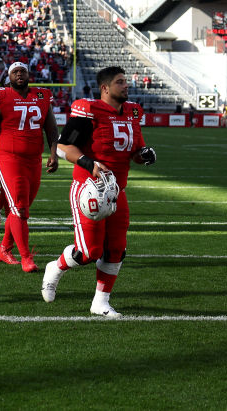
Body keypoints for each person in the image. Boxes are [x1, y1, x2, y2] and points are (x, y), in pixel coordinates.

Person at [41, 65, 156, 318]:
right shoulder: (89, 110)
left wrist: (144, 155)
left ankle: (100, 302)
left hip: (117, 190)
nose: (126, 85)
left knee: (116, 248)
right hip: (89, 188)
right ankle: (56, 267)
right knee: (88, 252)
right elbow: (62, 146)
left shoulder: (132, 112)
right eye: (120, 82)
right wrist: (88, 162)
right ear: (105, 88)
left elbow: (135, 152)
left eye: (125, 81)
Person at [0, 62, 59, 272]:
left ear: (29, 75)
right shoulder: (0, 96)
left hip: (34, 159)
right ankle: (26, 258)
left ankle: (4, 248)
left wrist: (53, 153)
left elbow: (51, 128)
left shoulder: (41, 96)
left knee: (20, 209)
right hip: (8, 157)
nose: (19, 74)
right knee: (19, 208)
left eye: (23, 71)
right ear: (9, 76)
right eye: (15, 72)